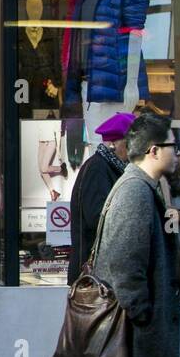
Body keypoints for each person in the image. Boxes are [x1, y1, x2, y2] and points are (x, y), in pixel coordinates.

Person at [90, 113, 180, 357]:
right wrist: (145, 318)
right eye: (172, 146)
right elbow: (125, 267)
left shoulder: (141, 187)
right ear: (153, 151)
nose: (177, 153)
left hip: (143, 343)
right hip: (136, 344)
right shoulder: (134, 192)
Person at [66, 112, 133, 285]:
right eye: (130, 143)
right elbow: (97, 218)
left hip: (104, 270)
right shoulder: (98, 168)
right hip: (93, 273)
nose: (135, 148)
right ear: (113, 143)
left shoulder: (114, 167)